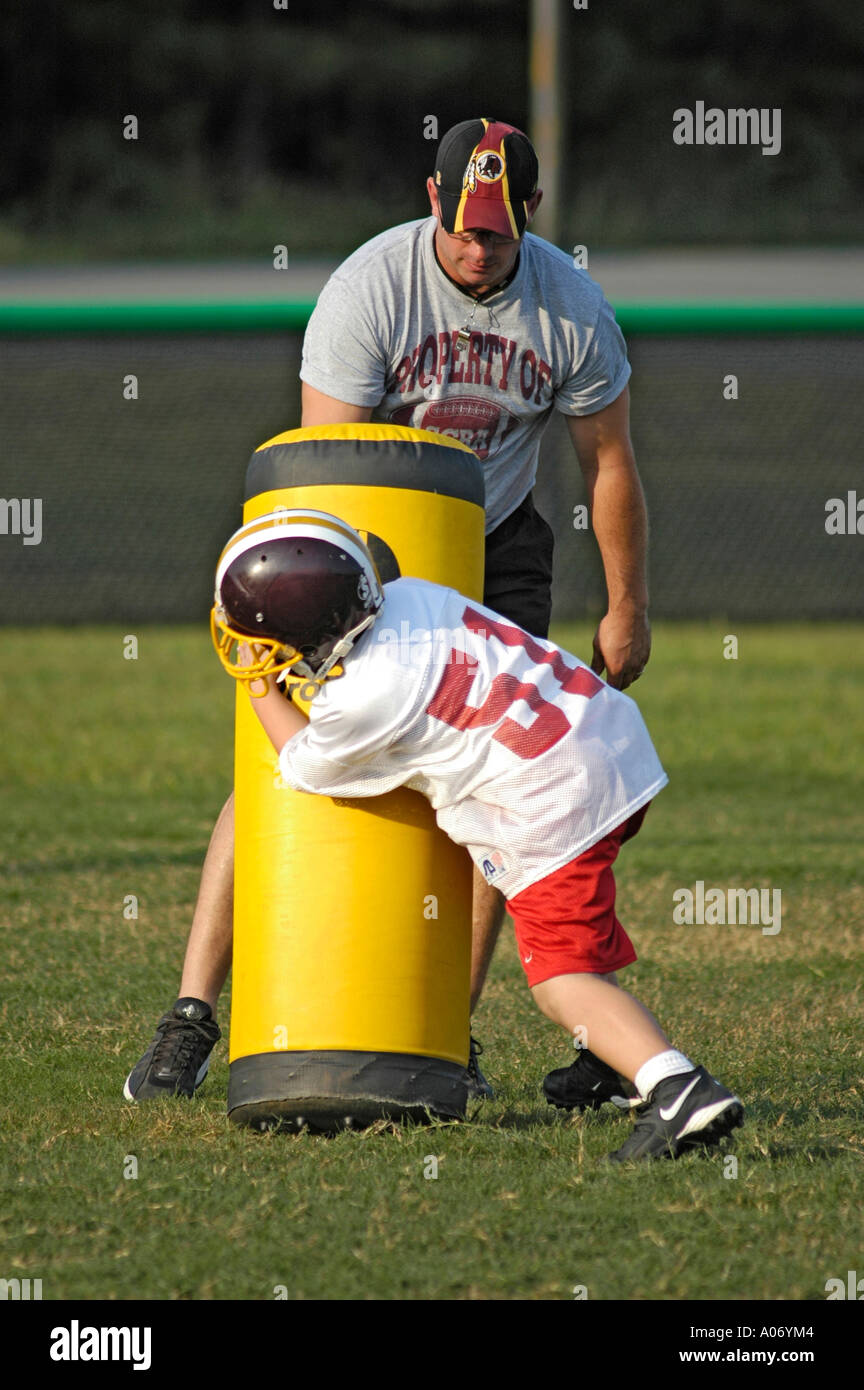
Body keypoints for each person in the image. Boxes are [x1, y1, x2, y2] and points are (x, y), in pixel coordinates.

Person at [124, 117, 652, 1107]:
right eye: (461, 228)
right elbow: (331, 471)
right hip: (364, 541)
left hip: (495, 545)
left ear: (532, 216)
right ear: (431, 198)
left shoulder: (572, 309)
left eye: (496, 234)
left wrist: (629, 606)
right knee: (284, 755)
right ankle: (192, 1015)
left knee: (505, 787)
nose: (475, 249)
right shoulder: (371, 287)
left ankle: (441, 1029)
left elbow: (608, 463)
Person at [190, 507, 743, 1163]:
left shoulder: (362, 698)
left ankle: (676, 1088)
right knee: (576, 937)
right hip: (604, 735)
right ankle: (611, 1055)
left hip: (553, 800)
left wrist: (259, 684)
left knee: (560, 978)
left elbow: (303, 764)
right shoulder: (412, 595)